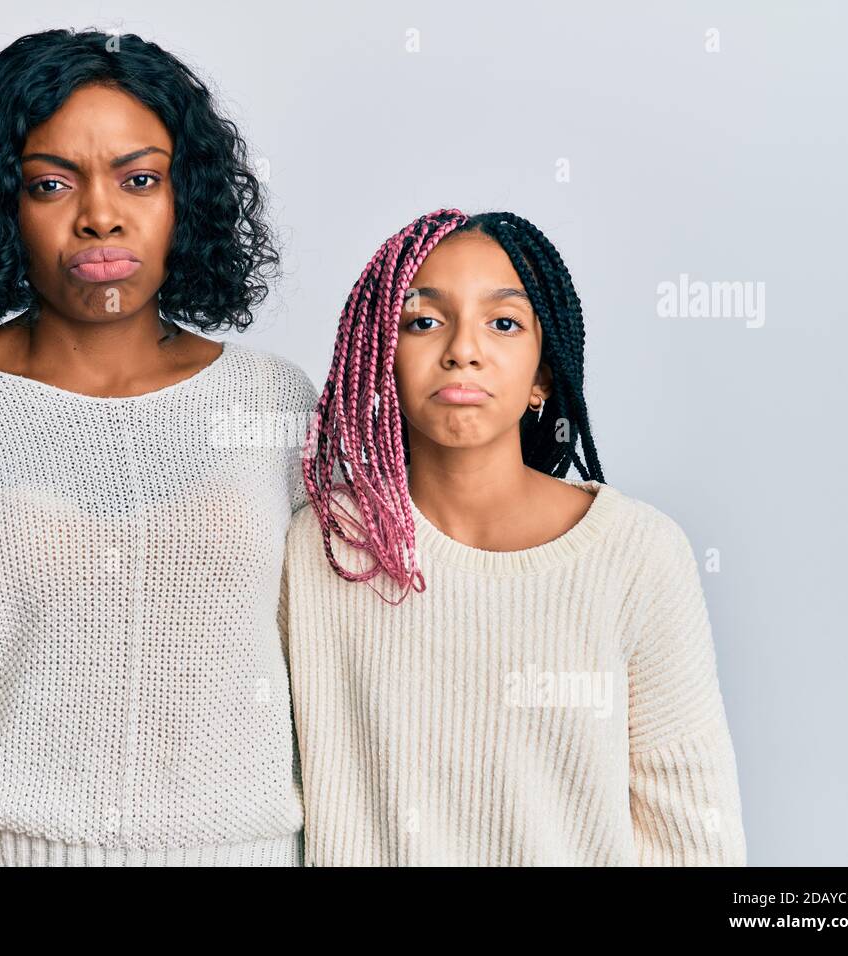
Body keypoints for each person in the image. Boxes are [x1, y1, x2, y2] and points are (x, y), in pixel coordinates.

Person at [0, 28, 317, 867]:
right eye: (50, 184)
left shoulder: (275, 402)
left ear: (186, 200)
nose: (100, 215)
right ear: (3, 205)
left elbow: (337, 680)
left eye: (140, 178)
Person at [280, 208, 747, 865]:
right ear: (381, 357)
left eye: (503, 322)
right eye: (423, 320)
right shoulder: (323, 547)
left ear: (542, 375)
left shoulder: (638, 555)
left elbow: (693, 836)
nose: (461, 349)